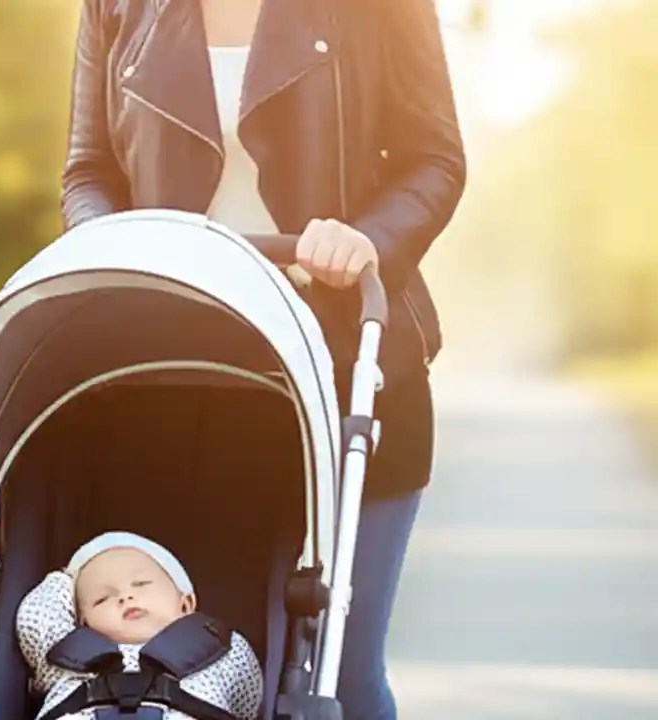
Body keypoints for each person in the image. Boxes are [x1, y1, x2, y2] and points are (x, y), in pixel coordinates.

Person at [59, 1, 466, 718]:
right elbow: (89, 172)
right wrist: (113, 249)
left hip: (347, 374)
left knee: (337, 672)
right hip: (169, 376)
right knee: (173, 664)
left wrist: (368, 239)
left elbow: (435, 159)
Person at [16, 531, 263, 719]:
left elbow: (246, 699)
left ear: (186, 604)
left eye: (142, 584)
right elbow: (35, 616)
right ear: (84, 623)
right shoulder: (66, 658)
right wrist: (66, 577)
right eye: (102, 598)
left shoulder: (219, 649)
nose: (126, 597)